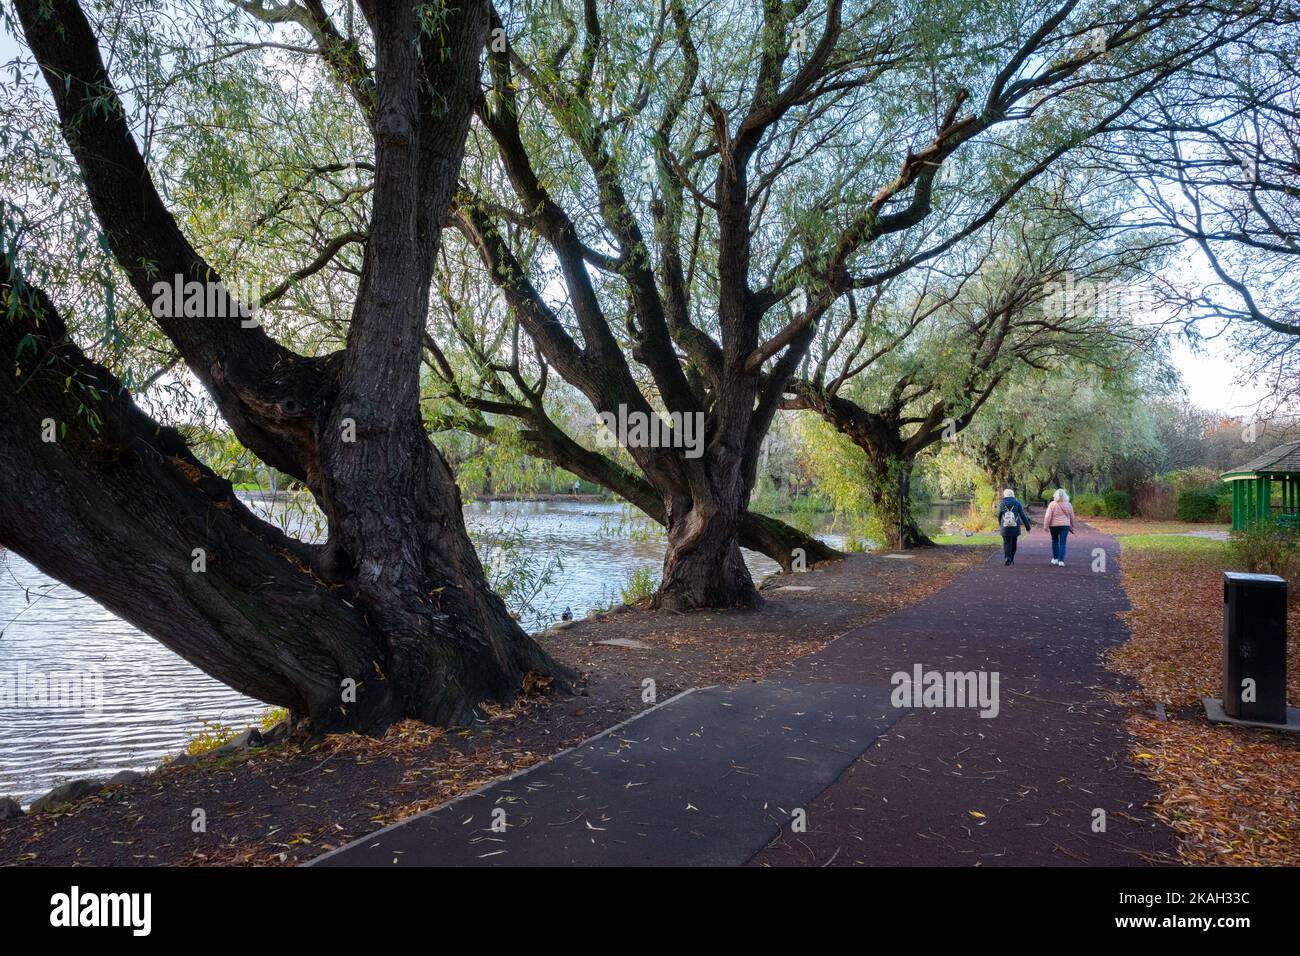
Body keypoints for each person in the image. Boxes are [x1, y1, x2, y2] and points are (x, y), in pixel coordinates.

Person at [996, 487, 1032, 566]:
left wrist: (1000, 524)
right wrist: (1028, 527)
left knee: (1006, 543)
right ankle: (1011, 558)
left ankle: (1007, 558)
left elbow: (998, 515)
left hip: (1005, 527)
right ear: (1012, 495)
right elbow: (1023, 516)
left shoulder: (1001, 504)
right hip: (1015, 527)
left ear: (1005, 495)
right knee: (1014, 543)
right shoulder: (1017, 503)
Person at [1043, 488, 1076, 566]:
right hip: (1065, 526)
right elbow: (1072, 516)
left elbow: (1048, 516)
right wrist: (1072, 526)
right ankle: (1061, 561)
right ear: (1065, 495)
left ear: (1055, 495)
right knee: (1063, 543)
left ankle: (1055, 559)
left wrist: (1046, 526)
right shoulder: (1068, 504)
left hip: (1053, 526)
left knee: (1054, 541)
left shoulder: (1052, 504)